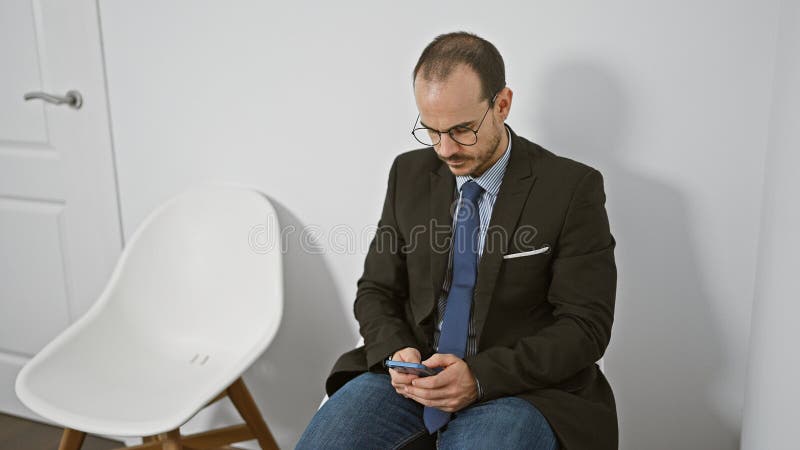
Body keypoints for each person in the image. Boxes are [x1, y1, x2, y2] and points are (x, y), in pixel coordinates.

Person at [297, 31, 618, 450]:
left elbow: (585, 325)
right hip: (412, 380)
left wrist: (479, 376)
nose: (446, 150)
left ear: (501, 105)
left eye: (462, 130)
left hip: (519, 389)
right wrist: (399, 352)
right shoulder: (408, 174)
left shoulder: (572, 188)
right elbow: (376, 290)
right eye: (431, 130)